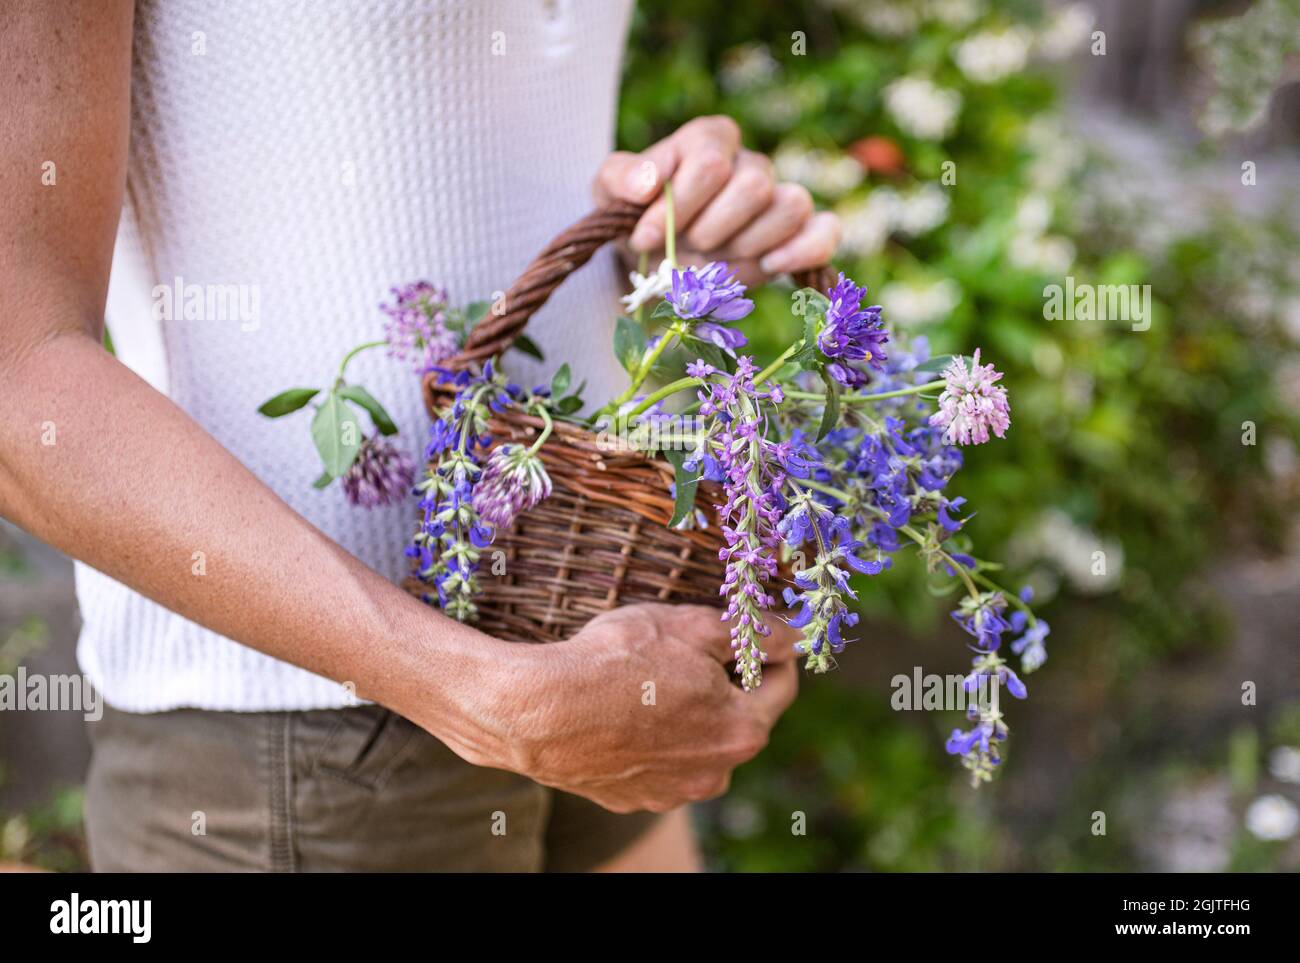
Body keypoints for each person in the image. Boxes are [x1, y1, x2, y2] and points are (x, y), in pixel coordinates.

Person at [0, 0, 841, 871]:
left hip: (587, 628)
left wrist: (673, 242)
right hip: (311, 733)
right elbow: (16, 375)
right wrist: (481, 692)